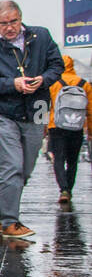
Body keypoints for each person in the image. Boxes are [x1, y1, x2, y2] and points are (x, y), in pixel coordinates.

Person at [0, 0, 64, 240]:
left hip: (39, 107)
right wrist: (12, 84)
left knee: (26, 168)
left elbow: (57, 65)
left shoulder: (41, 36)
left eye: (13, 22)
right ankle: (10, 222)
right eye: (4, 23)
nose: (9, 28)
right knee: (11, 166)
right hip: (3, 112)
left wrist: (43, 79)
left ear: (21, 18)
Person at [47, 55, 92, 203]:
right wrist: (90, 130)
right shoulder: (84, 84)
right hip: (77, 127)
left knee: (58, 159)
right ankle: (69, 189)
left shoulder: (52, 83)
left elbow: (43, 106)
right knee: (73, 160)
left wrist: (42, 127)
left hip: (56, 126)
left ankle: (63, 189)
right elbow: (90, 110)